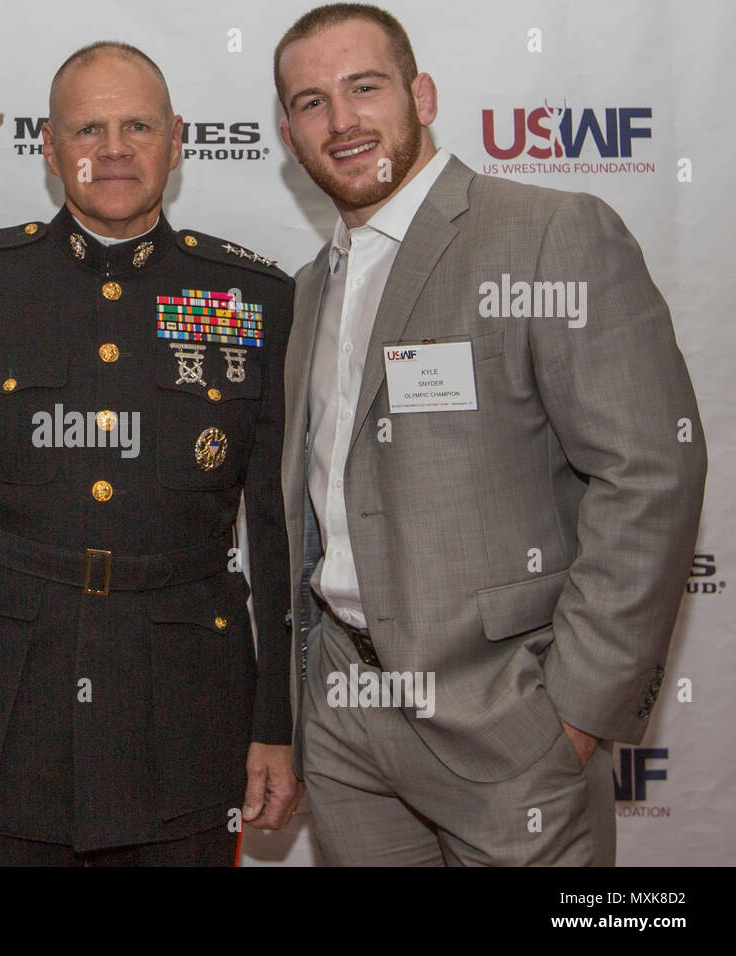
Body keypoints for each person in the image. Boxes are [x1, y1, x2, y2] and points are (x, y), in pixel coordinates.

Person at [274, 4, 706, 865]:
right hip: (346, 716)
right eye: (312, 102)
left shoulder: (550, 233)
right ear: (289, 134)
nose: (343, 121)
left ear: (422, 94)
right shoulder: (308, 289)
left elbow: (650, 474)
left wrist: (573, 718)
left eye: (366, 87)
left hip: (505, 725)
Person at [0, 41, 301, 865]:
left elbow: (276, 535)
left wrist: (276, 721)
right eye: (87, 129)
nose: (114, 149)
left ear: (177, 139)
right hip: (0, 700)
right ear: (49, 150)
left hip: (185, 707)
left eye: (137, 125)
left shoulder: (251, 298)